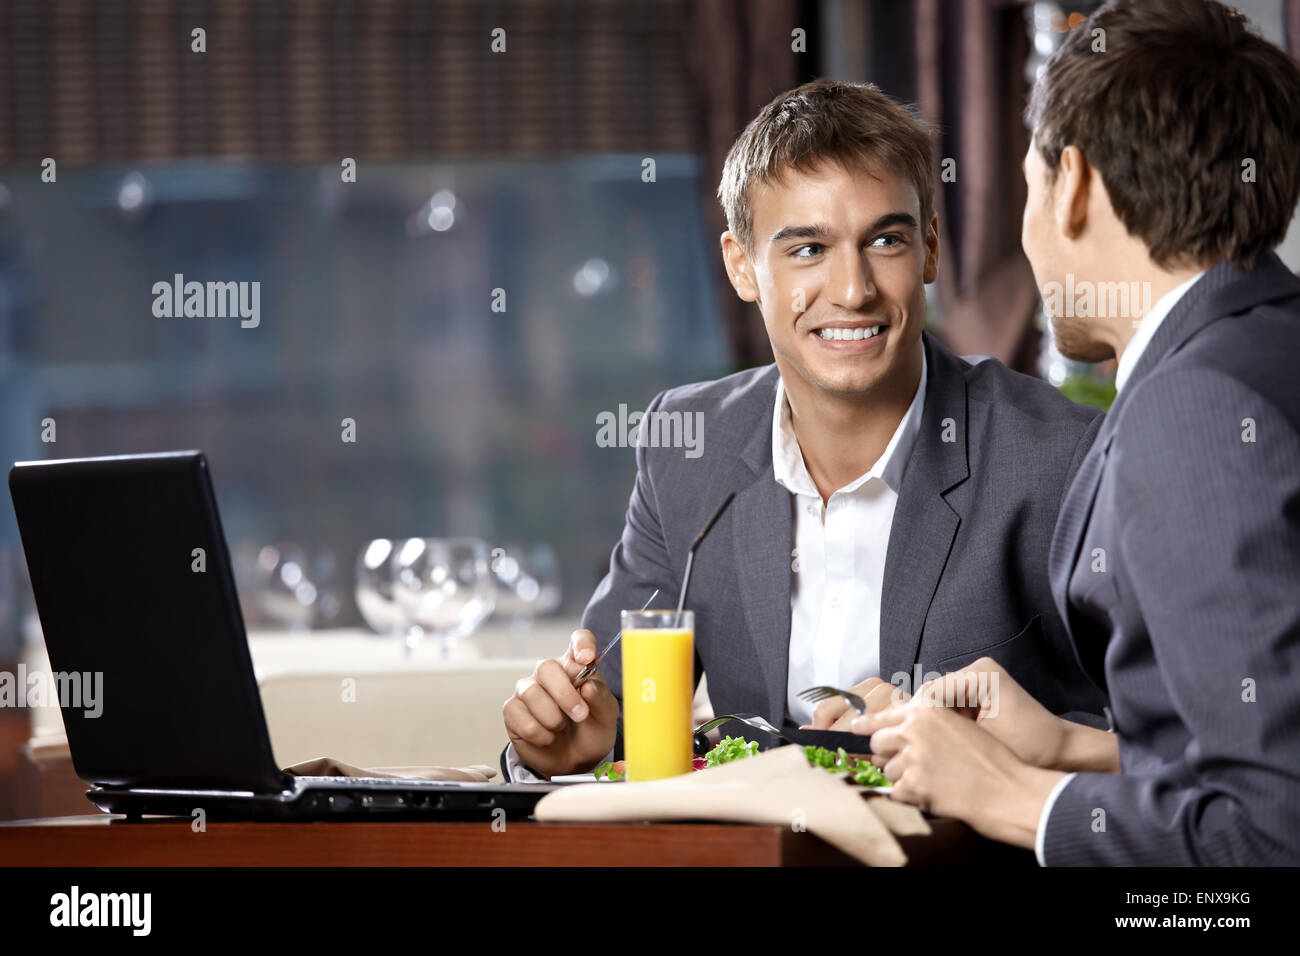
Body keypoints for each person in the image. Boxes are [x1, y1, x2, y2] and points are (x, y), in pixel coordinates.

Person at [501, 79, 1109, 781]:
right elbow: (609, 708)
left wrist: (997, 741)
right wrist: (563, 743)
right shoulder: (688, 447)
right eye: (807, 250)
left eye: (885, 240)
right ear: (741, 266)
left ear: (931, 249)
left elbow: (1170, 744)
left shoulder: (1060, 456)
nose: (853, 290)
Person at [856, 0, 1300, 865]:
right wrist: (1074, 747)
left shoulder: (1195, 408)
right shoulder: (1268, 343)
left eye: (1028, 185)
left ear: (1078, 187)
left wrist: (1008, 794)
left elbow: (1272, 832)